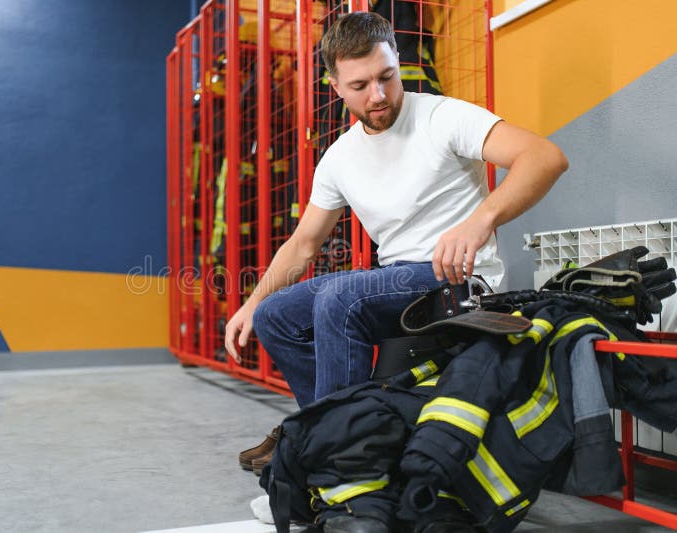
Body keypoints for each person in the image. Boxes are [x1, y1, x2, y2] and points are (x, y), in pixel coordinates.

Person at [227, 10, 568, 477]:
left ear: (397, 62)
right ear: (335, 87)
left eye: (388, 76)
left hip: (462, 279)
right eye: (361, 85)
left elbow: (544, 157)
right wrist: (252, 302)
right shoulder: (339, 158)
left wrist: (480, 220)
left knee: (339, 296)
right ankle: (333, 431)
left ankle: (339, 467)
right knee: (275, 317)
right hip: (396, 281)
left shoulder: (442, 116)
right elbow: (304, 243)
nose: (380, 94)